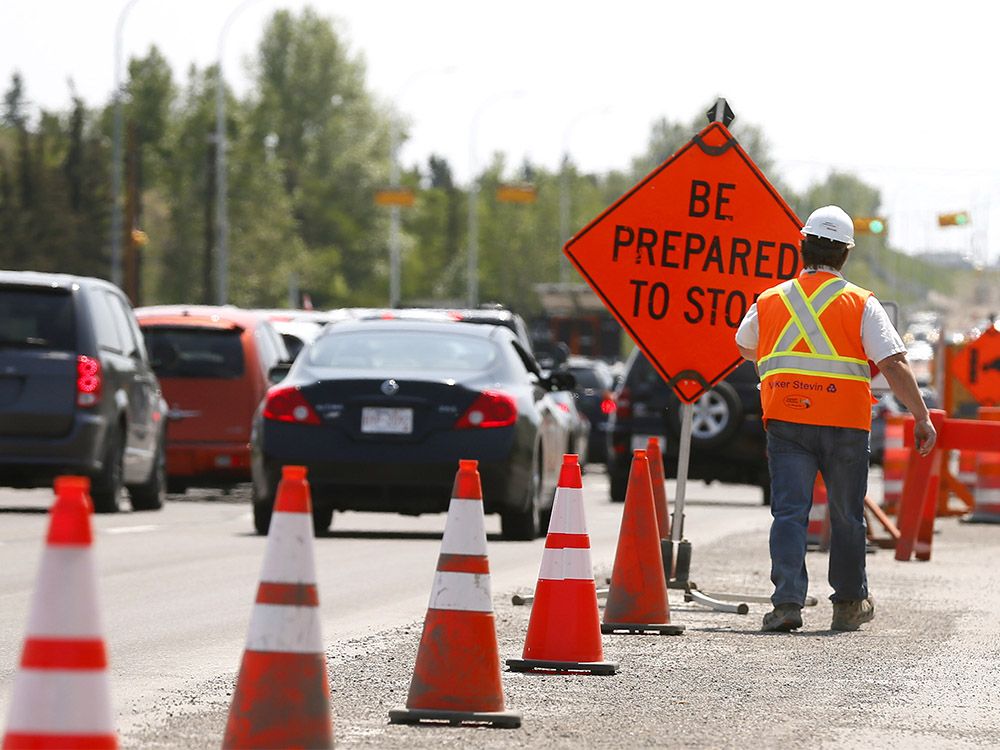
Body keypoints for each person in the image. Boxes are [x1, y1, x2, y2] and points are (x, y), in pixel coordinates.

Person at [735, 205, 937, 633]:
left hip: (787, 421)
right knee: (846, 513)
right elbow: (896, 363)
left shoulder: (770, 301)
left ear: (802, 246)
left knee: (790, 512)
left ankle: (787, 603)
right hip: (845, 423)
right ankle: (848, 603)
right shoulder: (861, 303)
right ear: (845, 253)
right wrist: (920, 415)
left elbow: (745, 344)